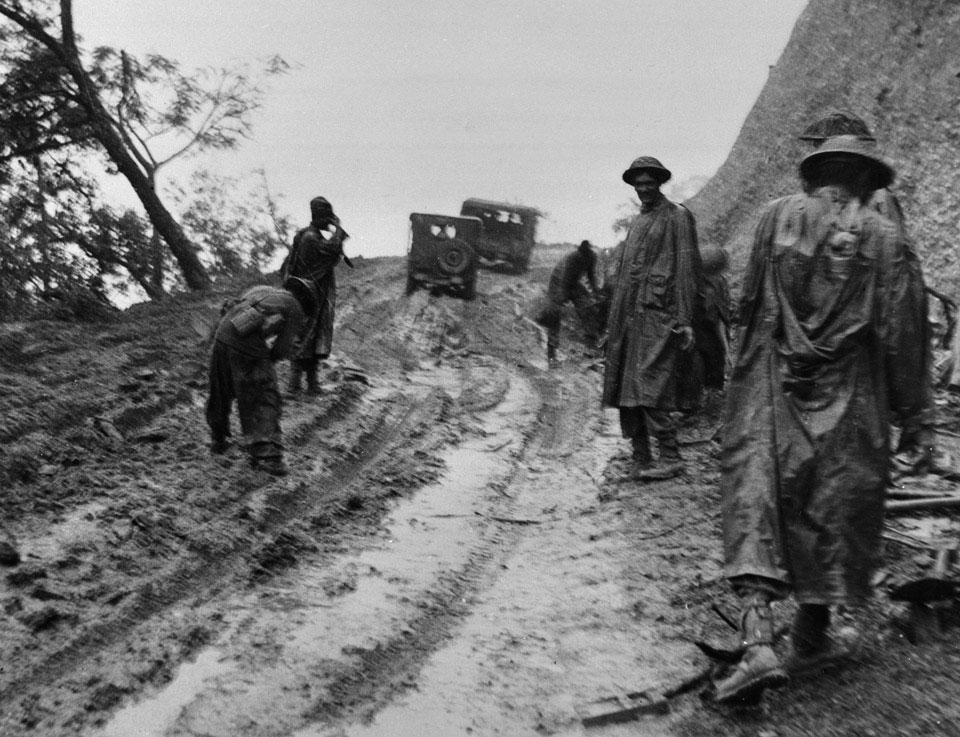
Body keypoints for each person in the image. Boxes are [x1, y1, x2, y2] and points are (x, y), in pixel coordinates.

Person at [713, 136, 926, 704]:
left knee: (760, 498)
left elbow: (751, 304)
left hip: (773, 384)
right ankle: (812, 633)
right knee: (832, 502)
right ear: (868, 180)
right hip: (851, 392)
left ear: (815, 174)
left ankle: (759, 641)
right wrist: (916, 415)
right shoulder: (885, 237)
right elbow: (902, 334)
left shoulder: (773, 218)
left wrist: (746, 382)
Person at [799, 112, 935, 473]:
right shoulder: (824, 203)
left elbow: (893, 258)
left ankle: (910, 447)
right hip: (862, 301)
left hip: (885, 296)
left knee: (896, 368)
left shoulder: (876, 199)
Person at [602, 156, 703, 471]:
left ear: (659, 183)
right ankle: (640, 454)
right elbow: (625, 278)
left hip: (660, 316)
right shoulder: (638, 221)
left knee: (650, 385)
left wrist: (685, 320)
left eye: (648, 183)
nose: (643, 189)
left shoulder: (677, 217)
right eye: (638, 184)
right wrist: (613, 326)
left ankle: (671, 456)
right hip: (630, 320)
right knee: (626, 386)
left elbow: (686, 270)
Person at [206, 278, 317, 477]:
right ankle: (268, 455)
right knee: (263, 393)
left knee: (221, 387)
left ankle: (218, 438)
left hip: (222, 333)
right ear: (305, 300)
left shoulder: (260, 290)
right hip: (246, 342)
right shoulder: (295, 308)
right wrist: (267, 362)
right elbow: (283, 346)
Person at [282, 196, 351, 397]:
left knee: (311, 337)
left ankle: (312, 385)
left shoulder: (308, 235)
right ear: (319, 217)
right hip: (307, 295)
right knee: (303, 335)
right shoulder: (310, 238)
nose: (329, 221)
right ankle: (294, 386)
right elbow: (332, 251)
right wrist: (338, 229)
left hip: (311, 294)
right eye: (327, 218)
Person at [535, 240, 602, 365]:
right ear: (579, 251)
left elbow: (591, 275)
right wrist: (560, 299)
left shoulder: (592, 257)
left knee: (587, 308)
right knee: (555, 314)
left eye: (586, 254)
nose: (583, 257)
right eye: (581, 254)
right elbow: (565, 280)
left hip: (573, 282)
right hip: (558, 281)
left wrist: (596, 291)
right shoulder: (573, 257)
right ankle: (551, 355)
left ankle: (592, 348)